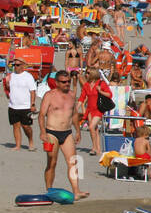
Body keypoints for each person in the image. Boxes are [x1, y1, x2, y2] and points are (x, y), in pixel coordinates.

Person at [39, 70, 87, 199]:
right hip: (51, 133)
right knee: (52, 163)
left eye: (68, 82)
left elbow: (75, 114)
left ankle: (76, 191)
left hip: (67, 133)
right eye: (63, 82)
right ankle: (49, 190)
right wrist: (42, 132)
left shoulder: (72, 95)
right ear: (57, 82)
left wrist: (78, 131)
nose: (67, 84)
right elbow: (41, 115)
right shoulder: (49, 95)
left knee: (73, 162)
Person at [77, 68, 112, 156]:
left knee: (91, 127)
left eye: (88, 73)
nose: (86, 75)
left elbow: (110, 94)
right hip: (89, 109)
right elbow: (82, 97)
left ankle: (94, 148)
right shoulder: (86, 85)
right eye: (86, 73)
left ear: (93, 74)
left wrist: (100, 91)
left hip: (98, 109)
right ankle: (98, 148)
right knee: (95, 129)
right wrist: (76, 108)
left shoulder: (101, 83)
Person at [6, 58, 37, 151]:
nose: (15, 67)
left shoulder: (28, 76)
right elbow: (8, 90)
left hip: (25, 106)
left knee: (26, 126)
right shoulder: (11, 76)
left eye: (18, 65)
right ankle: (18, 145)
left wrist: (32, 104)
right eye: (14, 65)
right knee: (15, 126)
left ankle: (31, 141)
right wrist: (7, 83)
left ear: (23, 66)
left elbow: (32, 91)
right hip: (13, 105)